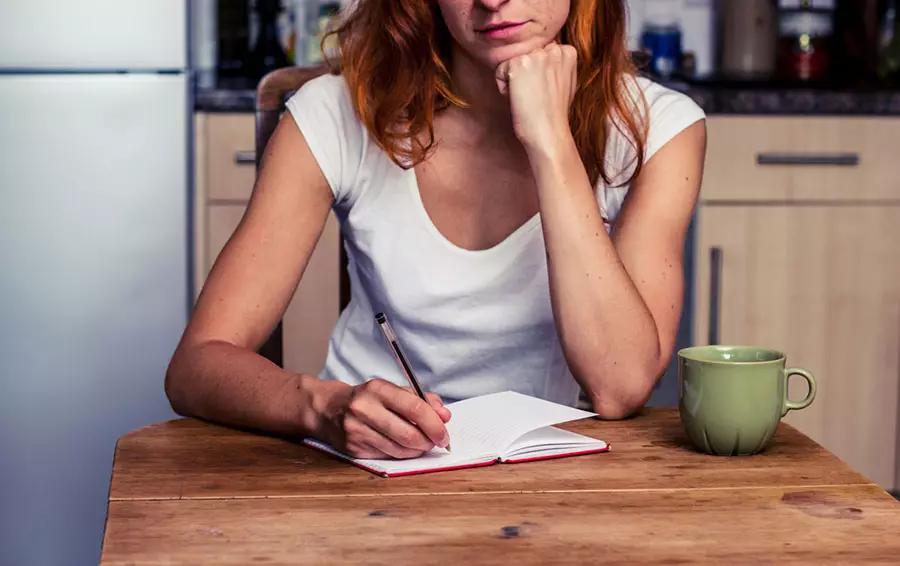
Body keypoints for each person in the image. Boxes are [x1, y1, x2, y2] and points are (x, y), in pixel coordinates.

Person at [165, 0, 707, 460]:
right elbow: (197, 363)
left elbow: (618, 387)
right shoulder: (335, 113)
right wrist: (325, 406)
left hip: (558, 480)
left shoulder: (657, 128)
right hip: (369, 478)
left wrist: (549, 139)